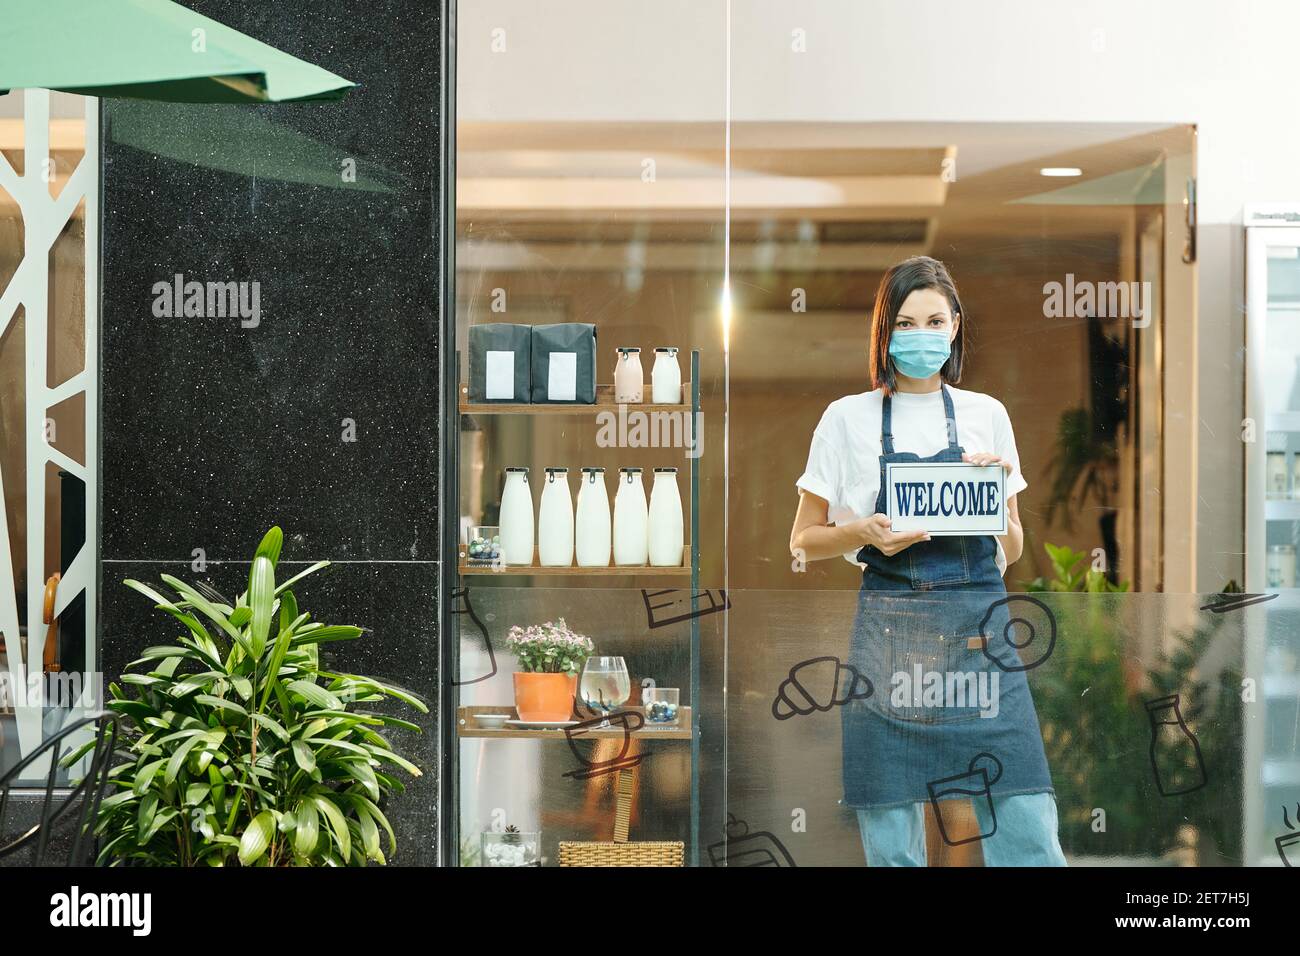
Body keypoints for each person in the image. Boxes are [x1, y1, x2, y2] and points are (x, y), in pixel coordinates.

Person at [789, 255, 1065, 866]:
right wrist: (862, 532)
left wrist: (994, 500)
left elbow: (1012, 549)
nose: (921, 335)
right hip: (891, 644)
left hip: (981, 640)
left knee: (1024, 812)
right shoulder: (846, 419)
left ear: (956, 326)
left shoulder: (987, 415)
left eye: (934, 321)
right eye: (906, 323)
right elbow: (804, 539)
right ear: (885, 332)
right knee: (890, 826)